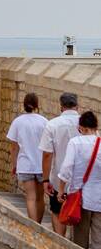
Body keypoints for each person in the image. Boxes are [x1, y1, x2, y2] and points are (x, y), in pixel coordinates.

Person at [57, 110, 101, 249]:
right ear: (96, 127)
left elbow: (66, 168)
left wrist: (61, 189)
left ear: (81, 127)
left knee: (79, 242)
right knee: (98, 241)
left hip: (80, 199)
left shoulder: (75, 143)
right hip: (99, 199)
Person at [40, 92, 81, 237]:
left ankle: (60, 241)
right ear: (77, 105)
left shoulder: (52, 124)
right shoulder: (85, 124)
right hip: (81, 180)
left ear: (61, 106)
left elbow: (47, 154)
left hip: (58, 179)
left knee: (57, 211)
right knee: (79, 213)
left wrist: (45, 180)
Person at [6, 92, 48, 224]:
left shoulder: (18, 122)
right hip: (41, 165)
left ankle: (33, 226)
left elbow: (14, 147)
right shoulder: (44, 122)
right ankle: (39, 225)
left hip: (25, 164)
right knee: (40, 197)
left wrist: (14, 165)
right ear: (37, 105)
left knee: (30, 197)